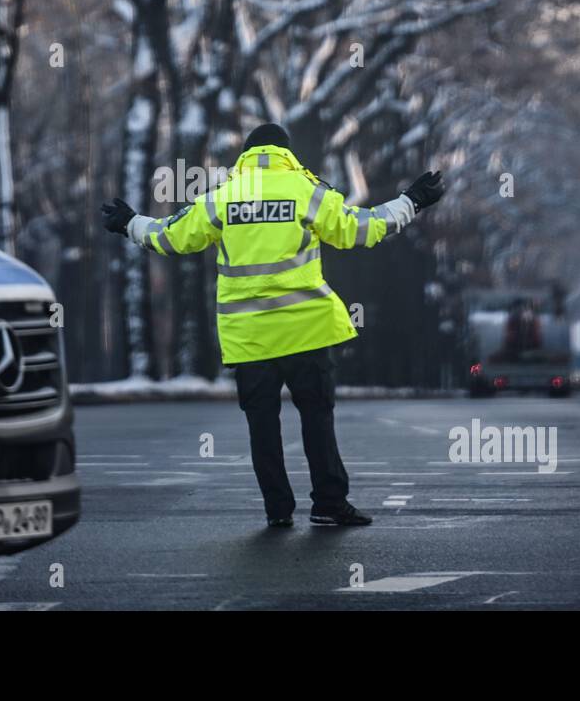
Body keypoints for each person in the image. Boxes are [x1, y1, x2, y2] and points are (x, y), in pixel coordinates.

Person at [100, 122, 445, 528]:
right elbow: (361, 229)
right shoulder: (306, 192)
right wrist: (412, 201)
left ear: (245, 155)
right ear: (287, 154)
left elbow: (172, 236)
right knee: (317, 419)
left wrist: (129, 224)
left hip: (249, 338)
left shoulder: (222, 197)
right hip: (306, 331)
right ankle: (329, 504)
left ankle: (278, 511)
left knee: (262, 427)